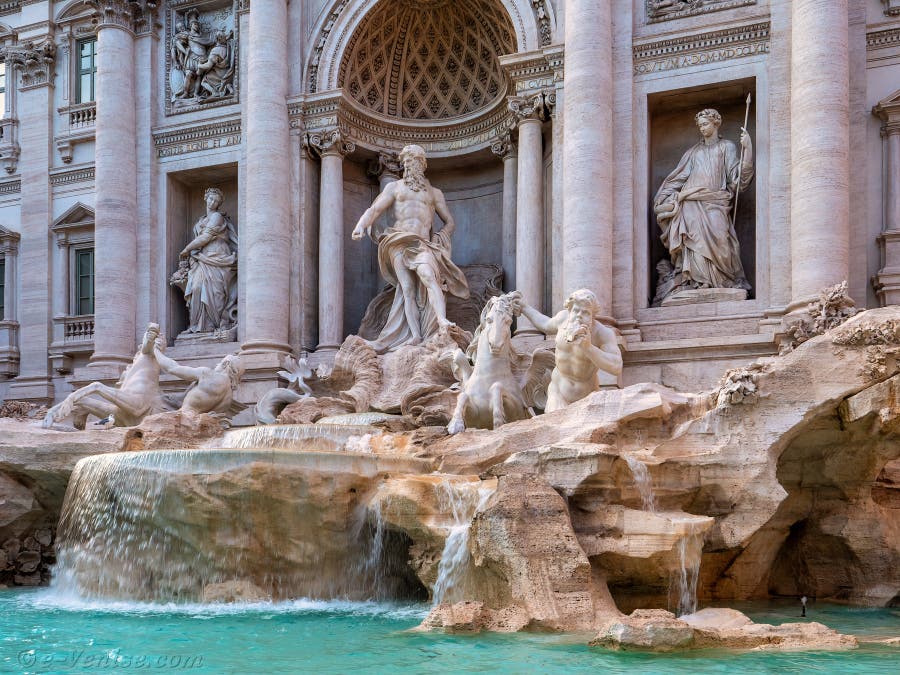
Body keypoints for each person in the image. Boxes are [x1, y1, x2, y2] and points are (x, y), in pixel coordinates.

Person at [351, 144, 469, 353]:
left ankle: (441, 321)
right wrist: (360, 225)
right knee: (407, 290)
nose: (408, 165)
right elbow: (375, 209)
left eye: (412, 161)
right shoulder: (394, 188)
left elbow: (450, 222)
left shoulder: (434, 193)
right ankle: (415, 335)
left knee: (429, 276)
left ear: (422, 165)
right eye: (405, 161)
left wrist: (441, 238)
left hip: (422, 243)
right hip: (398, 241)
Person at [653, 108, 753, 304]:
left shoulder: (727, 147)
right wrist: (664, 198)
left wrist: (748, 150)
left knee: (721, 239)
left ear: (716, 123)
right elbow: (678, 178)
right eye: (699, 125)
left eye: (705, 124)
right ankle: (696, 282)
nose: (702, 128)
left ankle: (723, 281)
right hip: (690, 203)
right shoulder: (693, 153)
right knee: (693, 242)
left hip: (716, 201)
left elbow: (737, 179)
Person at [514, 289, 622, 412]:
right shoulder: (562, 319)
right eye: (576, 310)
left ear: (593, 315)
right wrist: (525, 308)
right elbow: (545, 323)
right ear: (569, 310)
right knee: (556, 429)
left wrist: (588, 348)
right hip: (558, 394)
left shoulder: (603, 333)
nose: (579, 316)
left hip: (588, 397)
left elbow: (616, 366)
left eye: (585, 312)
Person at [171, 187, 238, 334]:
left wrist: (187, 249)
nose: (212, 202)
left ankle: (212, 325)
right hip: (202, 258)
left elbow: (206, 237)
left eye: (216, 201)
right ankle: (196, 325)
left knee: (215, 291)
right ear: (205, 198)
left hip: (218, 256)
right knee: (196, 287)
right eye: (211, 198)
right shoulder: (201, 220)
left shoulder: (217, 217)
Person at [154, 347, 244, 416]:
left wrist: (155, 350)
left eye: (220, 362)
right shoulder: (228, 398)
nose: (217, 364)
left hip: (183, 419)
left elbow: (172, 368)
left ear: (226, 364)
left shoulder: (208, 374)